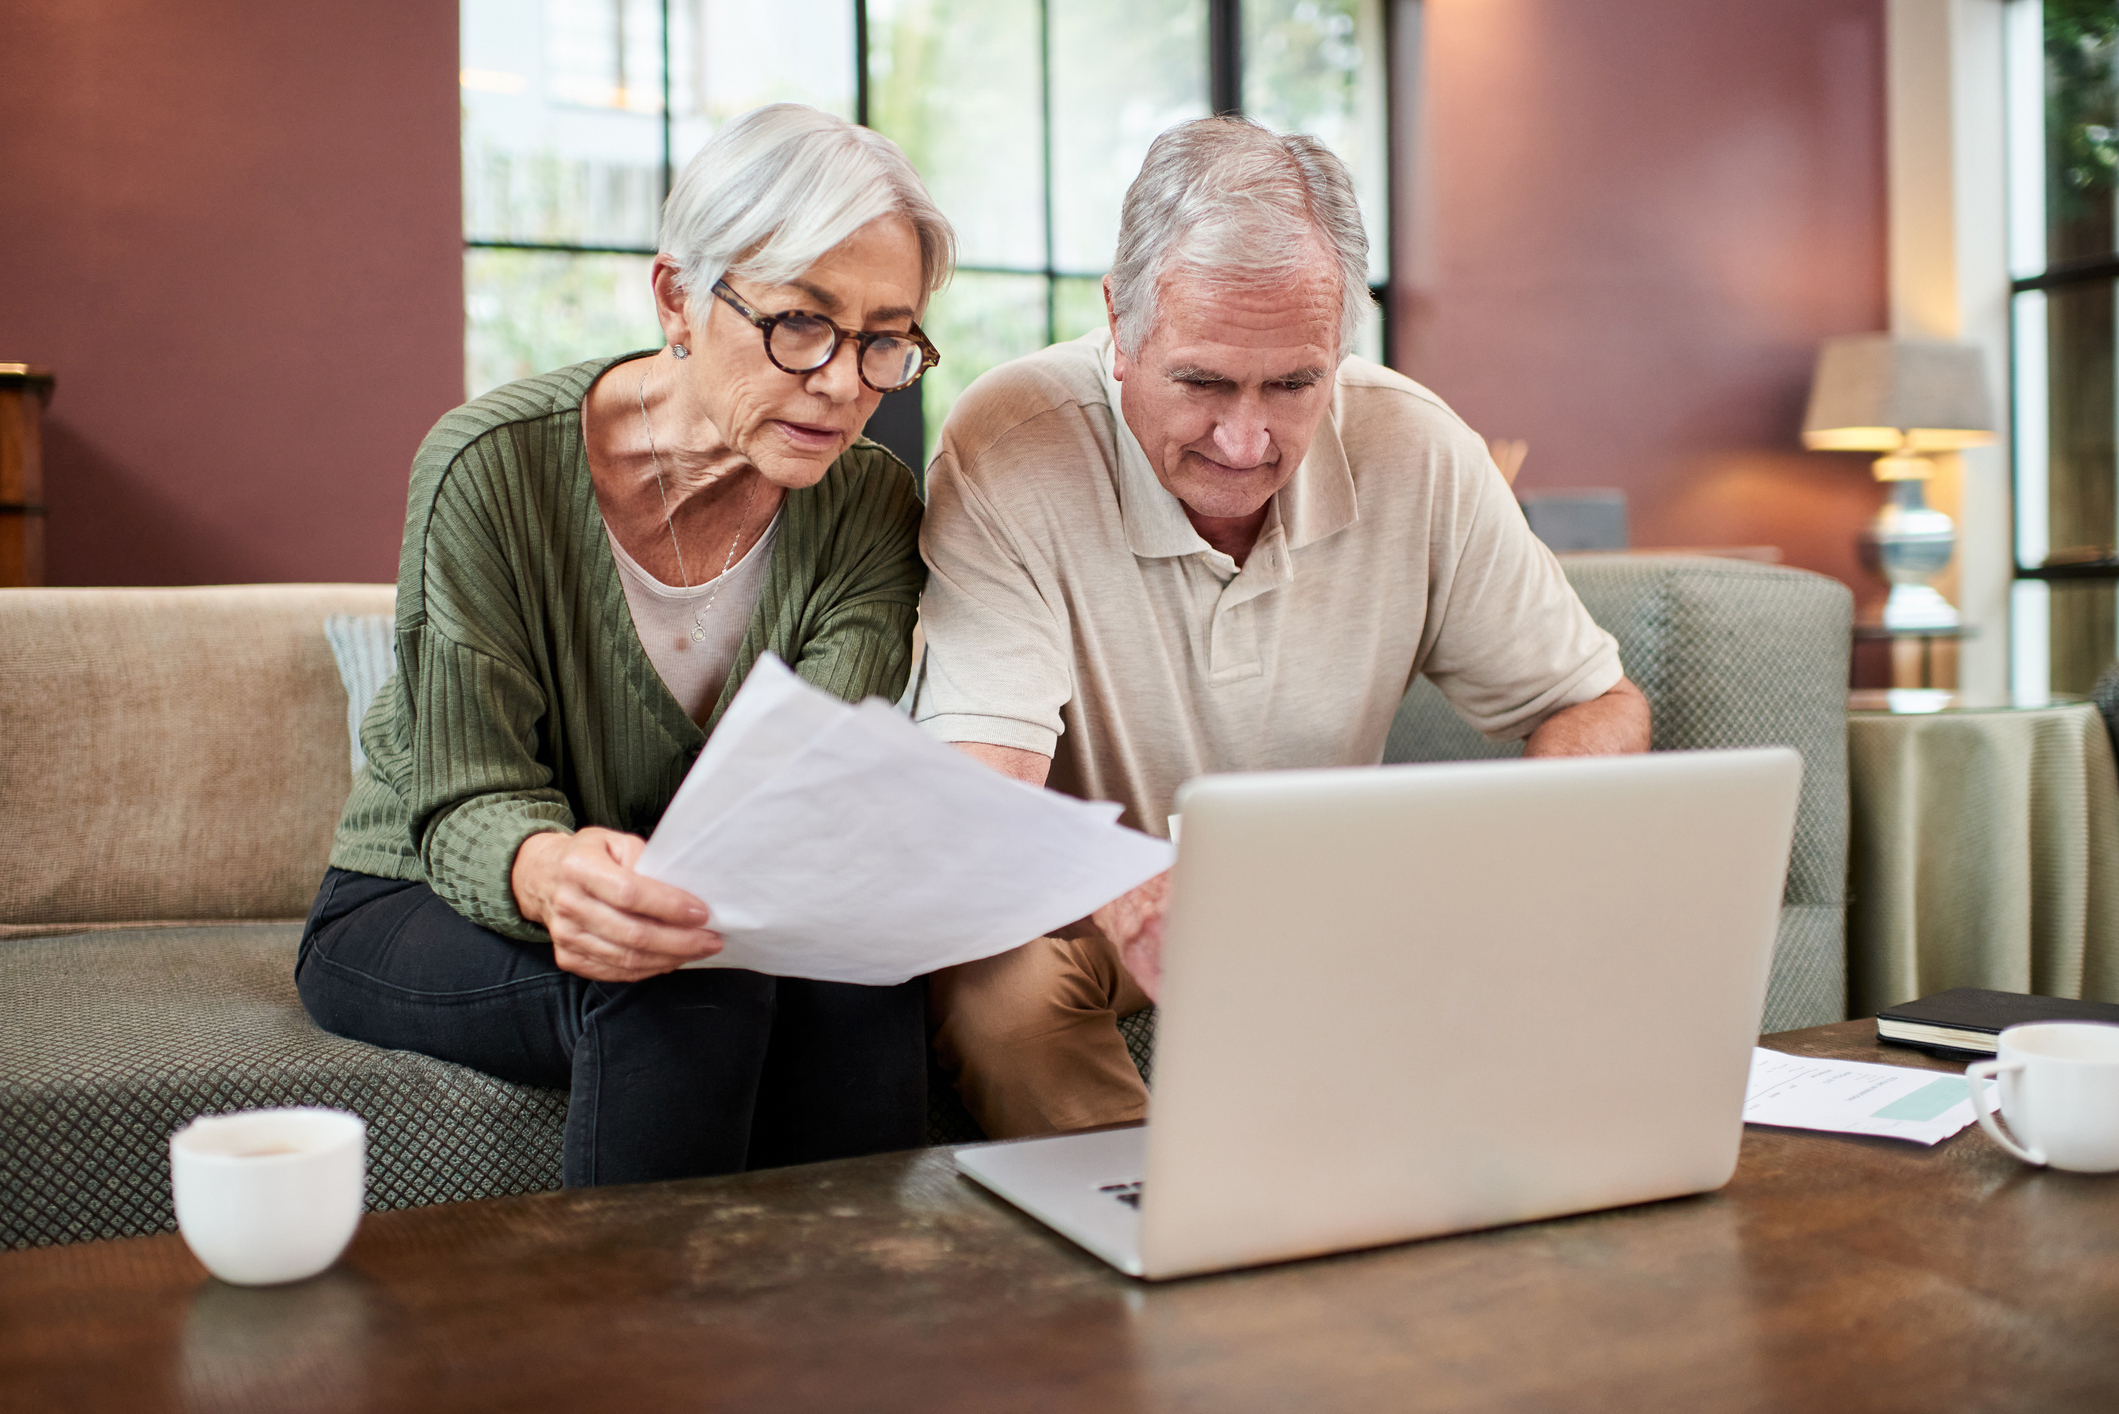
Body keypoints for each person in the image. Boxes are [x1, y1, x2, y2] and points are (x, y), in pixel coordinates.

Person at [915, 117, 1651, 1139]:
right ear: (1120, 327)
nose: (1245, 439)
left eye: (1295, 384)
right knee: (999, 982)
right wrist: (1125, 881)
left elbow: (1592, 702)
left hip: (1330, 887)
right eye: (1203, 382)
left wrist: (1519, 858)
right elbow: (979, 795)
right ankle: (1158, 1232)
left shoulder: (1416, 444)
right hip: (1093, 891)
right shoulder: (1012, 442)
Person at [297, 104, 955, 1186]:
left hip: (710, 890)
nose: (844, 383)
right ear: (677, 299)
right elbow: (470, 797)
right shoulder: (488, 468)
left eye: (886, 338)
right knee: (683, 981)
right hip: (418, 893)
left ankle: (854, 1338)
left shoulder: (869, 505)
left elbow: (812, 788)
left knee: (860, 975)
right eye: (802, 322)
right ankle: (633, 1356)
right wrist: (556, 872)